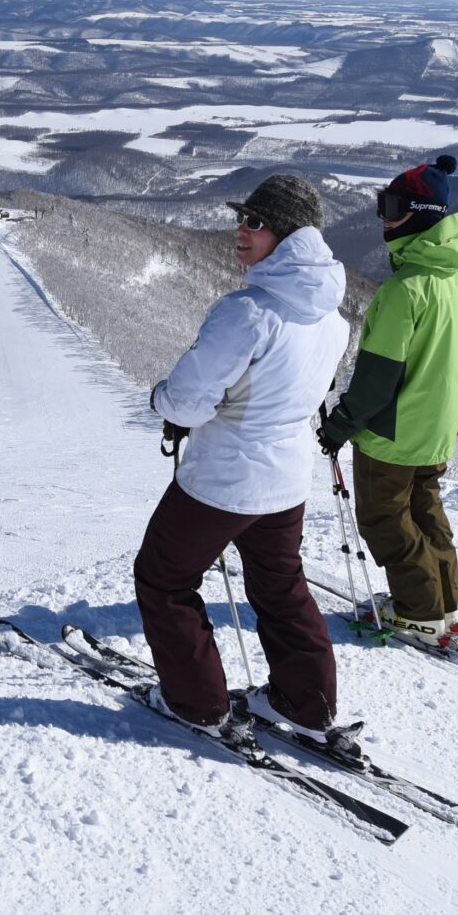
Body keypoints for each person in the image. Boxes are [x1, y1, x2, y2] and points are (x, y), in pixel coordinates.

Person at [143, 173, 355, 750]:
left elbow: (188, 401)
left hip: (223, 478)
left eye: (255, 222)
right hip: (286, 481)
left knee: (164, 581)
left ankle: (197, 704)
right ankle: (306, 704)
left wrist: (160, 398)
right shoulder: (333, 318)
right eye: (241, 217)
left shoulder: (247, 312)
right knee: (281, 587)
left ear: (289, 236)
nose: (241, 230)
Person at [318, 155, 458, 646]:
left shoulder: (404, 290)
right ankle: (442, 603)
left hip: (391, 432)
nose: (382, 219)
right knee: (426, 512)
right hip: (436, 425)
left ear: (422, 213)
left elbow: (376, 378)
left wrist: (340, 425)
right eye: (381, 205)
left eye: (390, 207)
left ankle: (418, 612)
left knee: (385, 519)